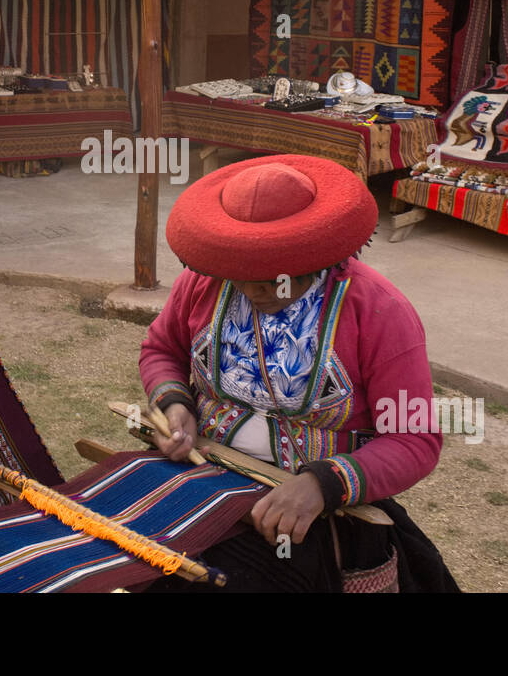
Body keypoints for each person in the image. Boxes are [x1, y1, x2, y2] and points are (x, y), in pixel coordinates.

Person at [138, 154, 459, 592]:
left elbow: (413, 439)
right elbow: (162, 349)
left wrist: (322, 483)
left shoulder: (379, 311)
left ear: (314, 254)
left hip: (319, 505)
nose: (253, 290)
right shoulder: (204, 282)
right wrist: (174, 405)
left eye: (273, 277)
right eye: (241, 273)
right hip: (204, 474)